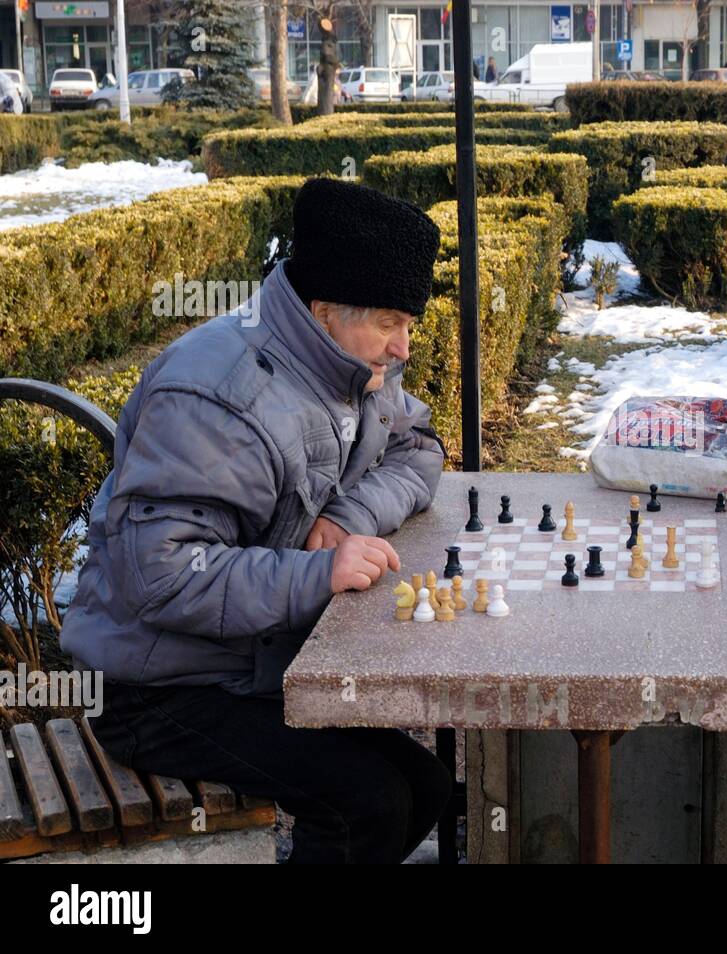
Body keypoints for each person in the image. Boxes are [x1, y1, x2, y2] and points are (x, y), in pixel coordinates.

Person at [61, 178, 453, 864]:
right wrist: (316, 573)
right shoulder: (216, 396)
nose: (404, 350)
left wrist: (347, 512)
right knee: (367, 803)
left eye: (409, 325)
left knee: (425, 783)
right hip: (155, 689)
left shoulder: (343, 364)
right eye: (391, 322)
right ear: (326, 308)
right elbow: (164, 576)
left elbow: (419, 448)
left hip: (250, 665)